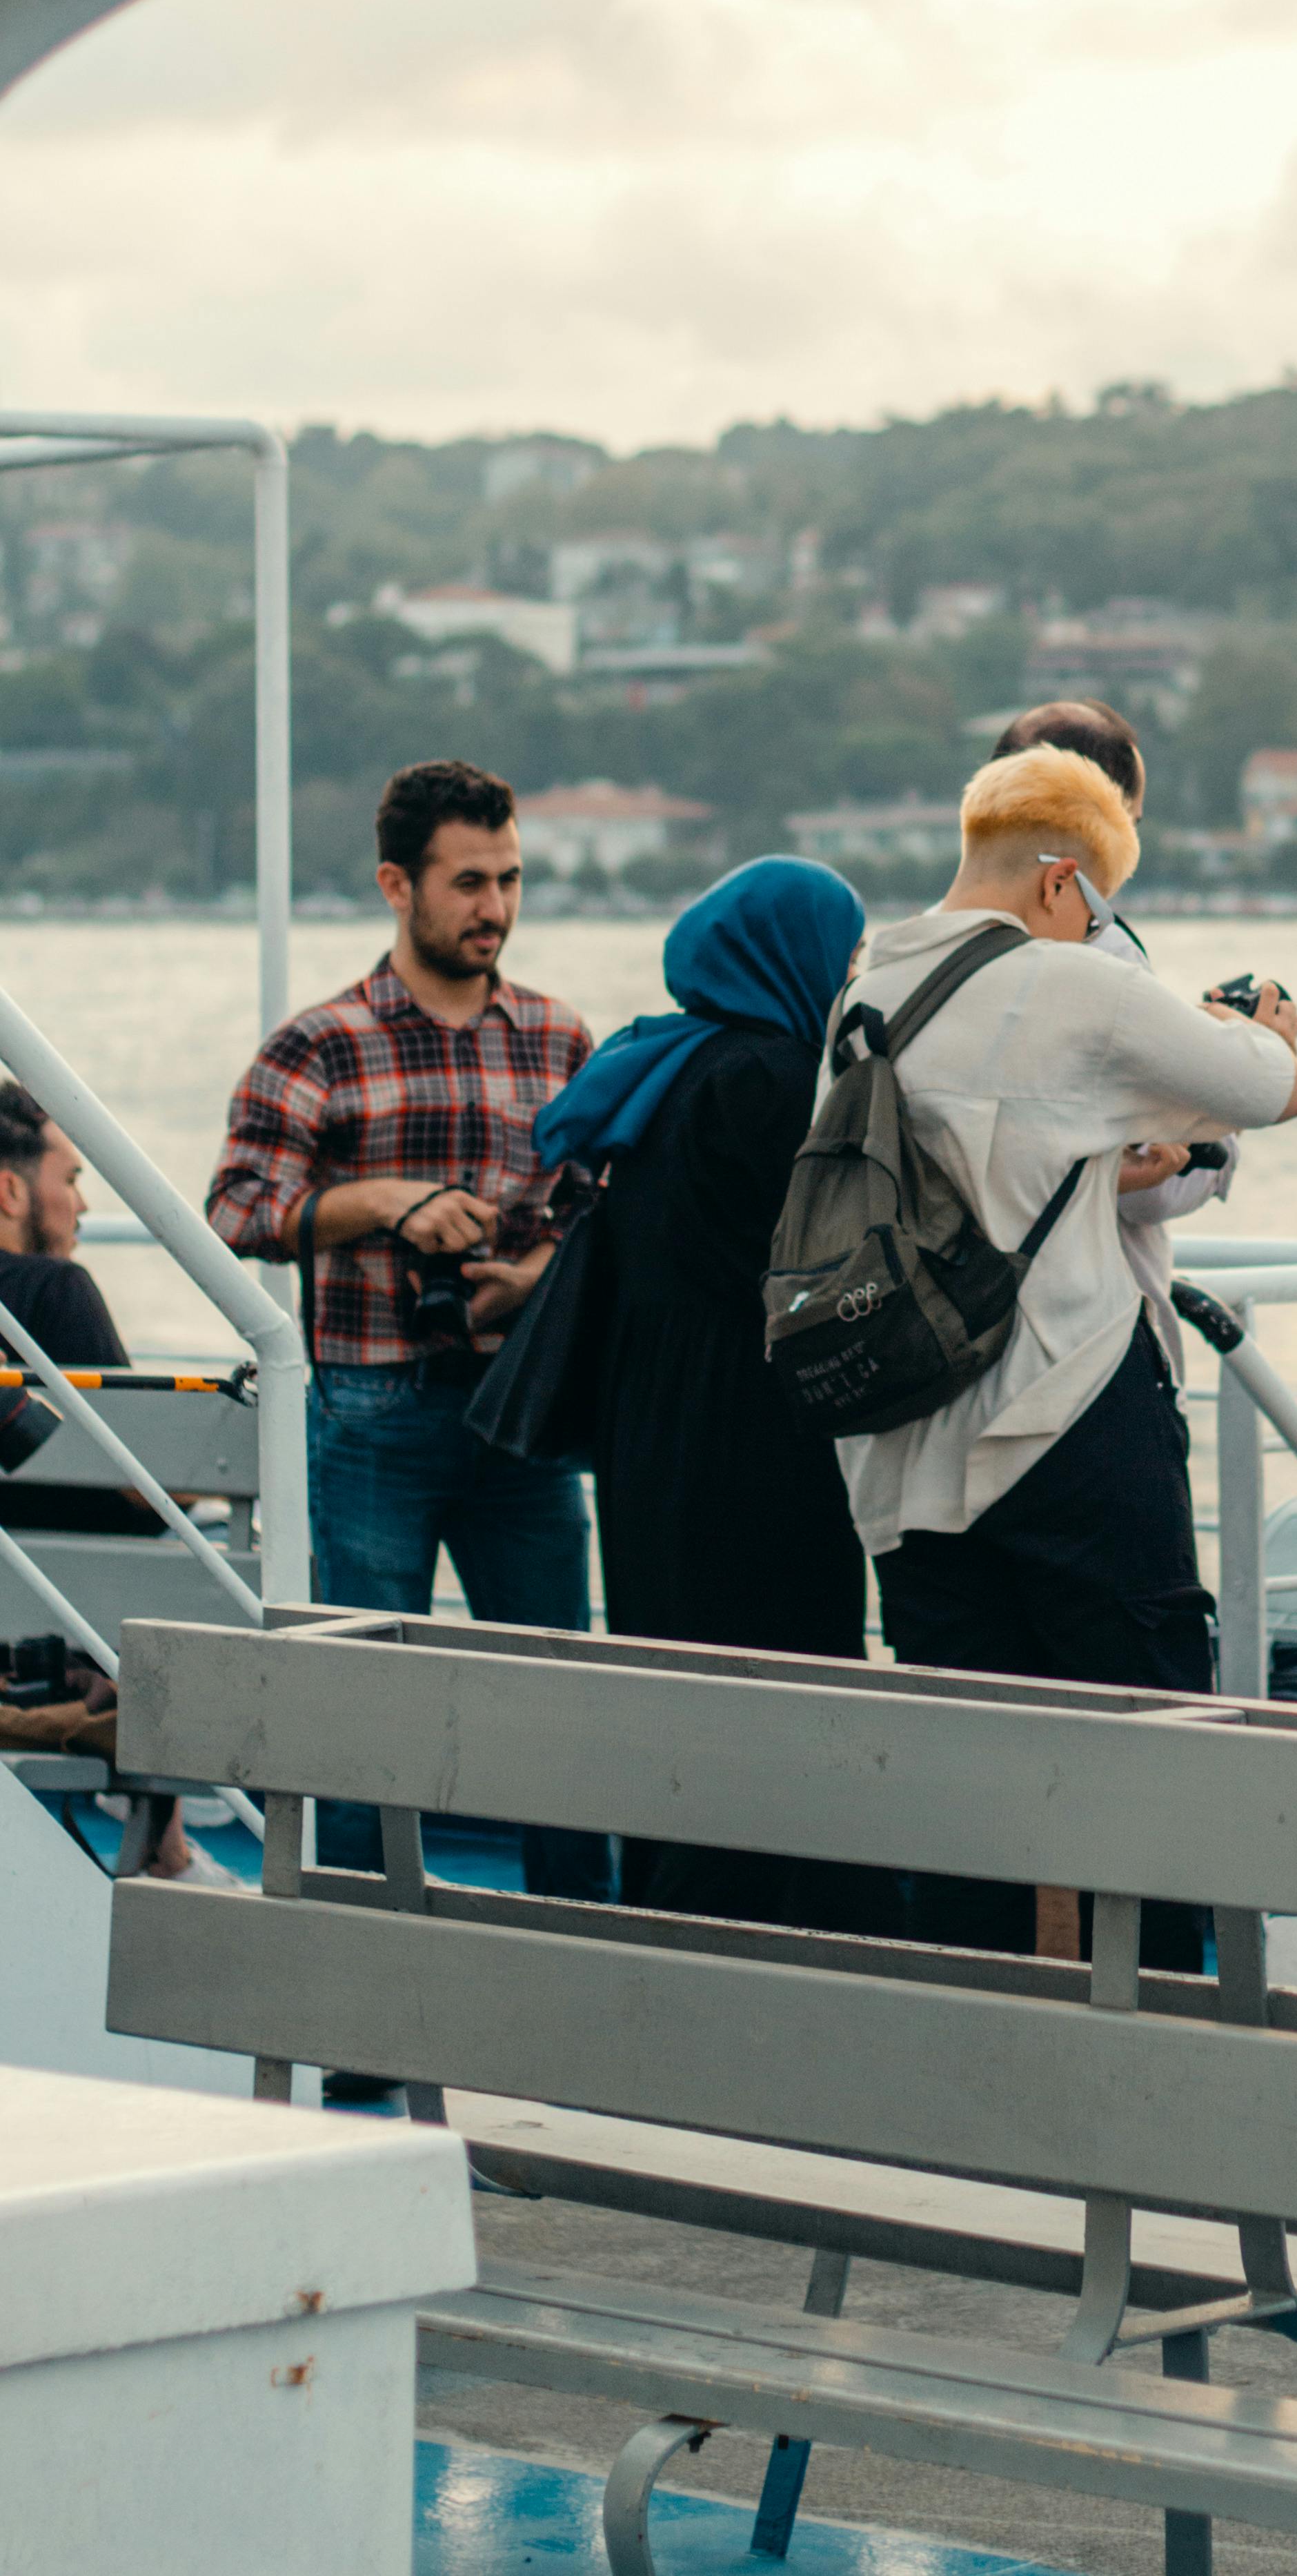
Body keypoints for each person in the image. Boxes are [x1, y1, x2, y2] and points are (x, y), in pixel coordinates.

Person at [837, 742, 1297, 1960]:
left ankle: (981, 2075)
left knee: (972, 1794)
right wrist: (1262, 1025)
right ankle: (1146, 2057)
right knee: (1153, 1755)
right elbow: (1259, 1087)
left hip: (907, 1443)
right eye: (1100, 904)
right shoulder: (1071, 985)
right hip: (1065, 1418)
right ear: (1060, 882)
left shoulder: (867, 985)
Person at [206, 756, 606, 1912]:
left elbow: (597, 1222)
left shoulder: (556, 1038)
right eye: (469, 882)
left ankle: (574, 1955)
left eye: (511, 879)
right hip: (371, 1409)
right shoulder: (319, 1045)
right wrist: (388, 1205)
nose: (495, 908)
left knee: (559, 1706)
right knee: (359, 1716)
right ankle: (356, 1975)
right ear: (398, 884)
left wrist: (522, 1275)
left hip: (521, 1416)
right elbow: (237, 1210)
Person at [535, 854, 893, 1931]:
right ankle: (773, 1938)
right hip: (751, 1436)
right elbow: (807, 1262)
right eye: (849, 950)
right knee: (781, 1682)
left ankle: (670, 1927)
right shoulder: (773, 1079)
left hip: (652, 1431)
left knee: (672, 1689)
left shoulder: (663, 1067)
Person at [0, 1083, 233, 1884]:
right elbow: (144, 1483)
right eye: (71, 1178)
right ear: (10, 1188)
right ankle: (165, 1850)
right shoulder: (53, 1293)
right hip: (70, 1633)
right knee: (193, 1552)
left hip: (24, 1624)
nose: (82, 1204)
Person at [990, 697, 1238, 1371]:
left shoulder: (921, 950)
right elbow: (1150, 1187)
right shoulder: (1103, 959)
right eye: (1130, 821)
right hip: (1088, 1353)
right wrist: (1224, 1113)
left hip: (957, 1354)